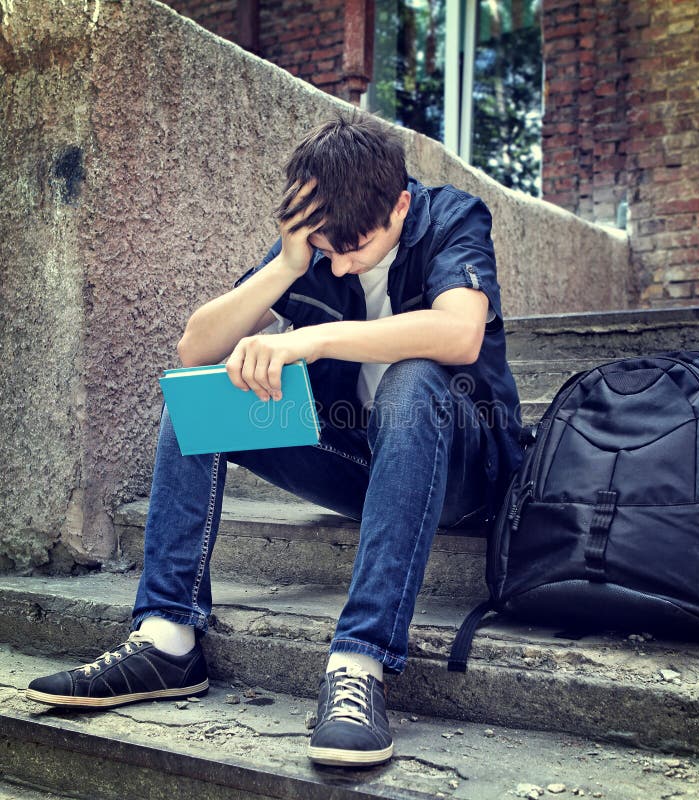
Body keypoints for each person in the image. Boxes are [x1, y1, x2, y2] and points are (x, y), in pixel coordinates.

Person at [27, 114, 523, 767]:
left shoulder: (453, 218)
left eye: (357, 247)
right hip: (365, 462)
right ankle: (167, 638)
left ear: (401, 204)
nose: (340, 264)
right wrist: (289, 261)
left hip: (466, 470)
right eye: (325, 246)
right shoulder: (314, 247)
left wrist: (308, 338)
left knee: (411, 380)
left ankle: (359, 664)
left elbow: (459, 333)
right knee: (202, 399)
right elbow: (194, 346)